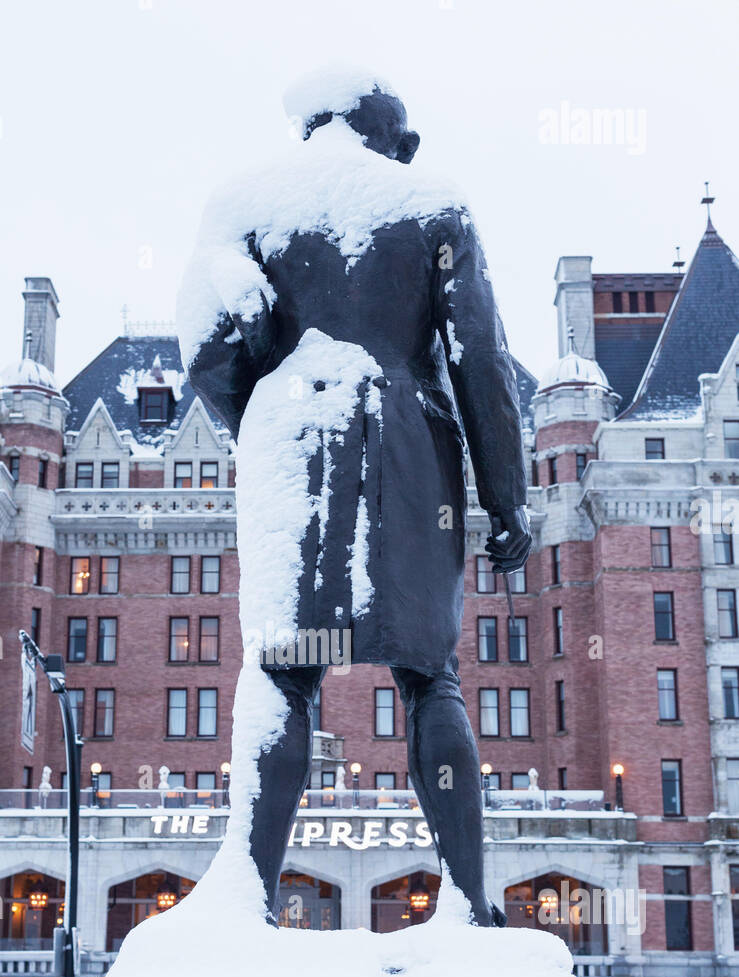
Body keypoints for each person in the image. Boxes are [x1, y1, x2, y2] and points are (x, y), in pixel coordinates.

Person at [180, 68, 532, 928]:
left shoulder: (242, 207)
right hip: (413, 444)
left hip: (293, 441)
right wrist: (506, 496)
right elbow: (478, 360)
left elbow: (206, 349)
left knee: (281, 671)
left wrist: (260, 420)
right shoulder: (435, 206)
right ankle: (466, 902)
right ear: (394, 140)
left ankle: (246, 900)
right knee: (428, 673)